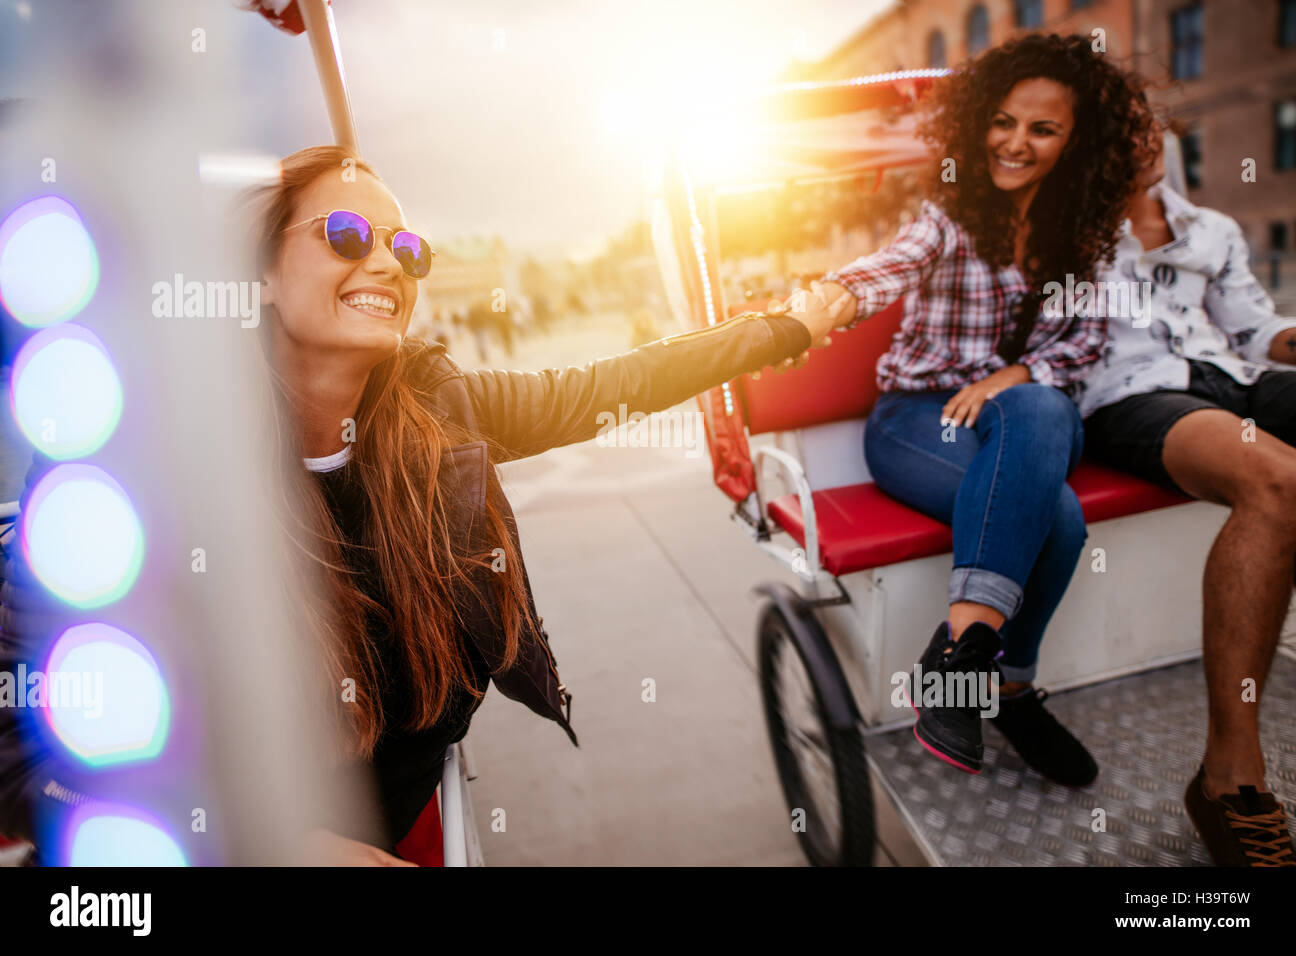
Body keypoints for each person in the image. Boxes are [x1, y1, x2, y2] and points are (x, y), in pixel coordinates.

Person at [0, 145, 851, 866]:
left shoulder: (439, 414)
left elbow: (615, 383)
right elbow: (30, 740)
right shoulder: (150, 456)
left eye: (405, 247)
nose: (384, 263)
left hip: (404, 813)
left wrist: (788, 329)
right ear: (257, 274)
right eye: (344, 235)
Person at [809, 33, 1155, 785]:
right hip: (916, 421)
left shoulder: (1087, 244)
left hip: (1021, 422)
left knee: (1040, 405)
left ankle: (959, 661)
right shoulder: (947, 215)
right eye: (1002, 121)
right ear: (977, 126)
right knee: (1056, 517)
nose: (1015, 143)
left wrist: (1011, 377)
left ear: (1075, 143)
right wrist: (825, 301)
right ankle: (1005, 683)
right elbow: (886, 268)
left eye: (1042, 128)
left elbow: (1083, 347)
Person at [1074, 133, 1296, 867]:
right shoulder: (1066, 230)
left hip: (1230, 377)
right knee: (1280, 478)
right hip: (1135, 399)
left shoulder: (1213, 230)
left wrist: (1290, 338)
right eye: (1116, 121)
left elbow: (1257, 330)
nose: (1135, 138)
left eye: (1144, 122)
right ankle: (1227, 777)